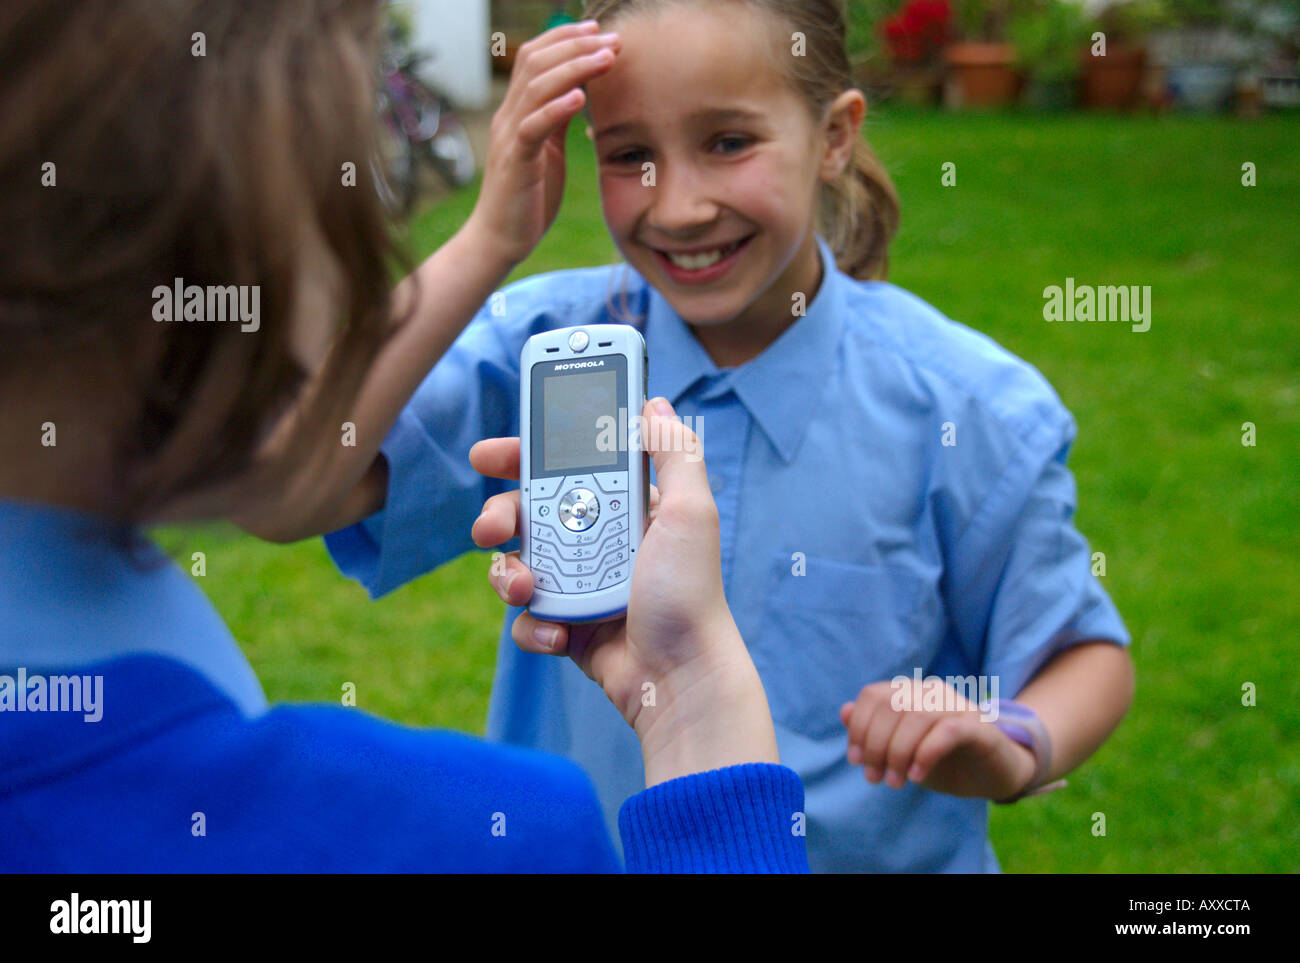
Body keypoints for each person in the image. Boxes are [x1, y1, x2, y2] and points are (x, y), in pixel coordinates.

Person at [0, 3, 808, 873]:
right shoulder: (486, 833)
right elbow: (291, 474)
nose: (680, 206)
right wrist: (692, 706)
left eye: (728, 142)